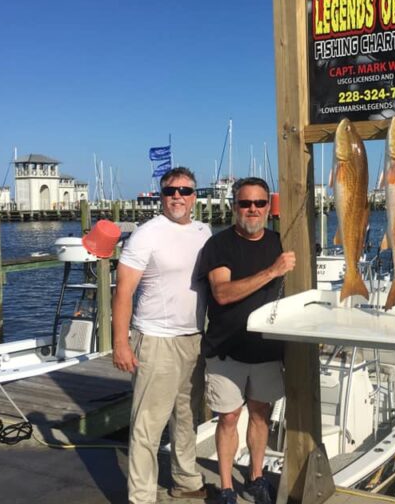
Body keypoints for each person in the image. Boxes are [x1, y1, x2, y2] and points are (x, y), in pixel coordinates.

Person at [112, 167, 212, 504]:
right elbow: (123, 292)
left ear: (195, 196)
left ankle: (186, 480)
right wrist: (121, 343)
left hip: (194, 338)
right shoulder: (147, 234)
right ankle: (141, 497)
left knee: (187, 417)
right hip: (155, 339)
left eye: (185, 191)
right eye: (170, 191)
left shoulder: (204, 231)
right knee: (148, 424)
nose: (177, 197)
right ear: (161, 196)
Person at [200, 177, 296, 504]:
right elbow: (222, 293)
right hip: (226, 348)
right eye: (245, 203)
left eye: (259, 203)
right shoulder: (219, 245)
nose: (252, 209)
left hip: (267, 349)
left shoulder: (280, 243)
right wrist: (272, 272)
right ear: (234, 207)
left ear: (269, 207)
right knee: (228, 417)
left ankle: (256, 477)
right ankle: (227, 486)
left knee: (260, 413)